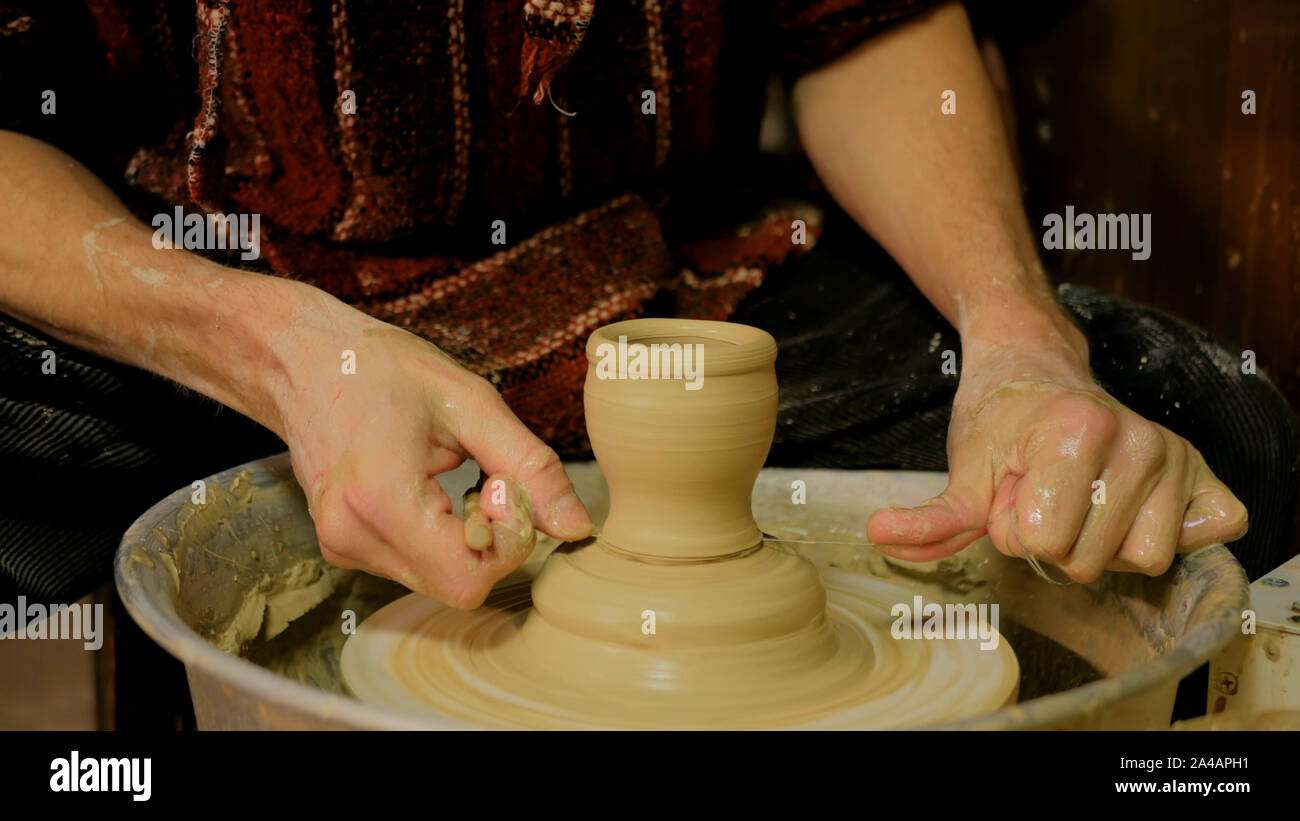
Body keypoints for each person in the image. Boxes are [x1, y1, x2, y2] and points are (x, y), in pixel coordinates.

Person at [1, 1, 1290, 614]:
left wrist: (1015, 342)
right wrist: (267, 348)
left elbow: (859, 24)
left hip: (673, 284)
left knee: (1198, 433)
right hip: (203, 293)